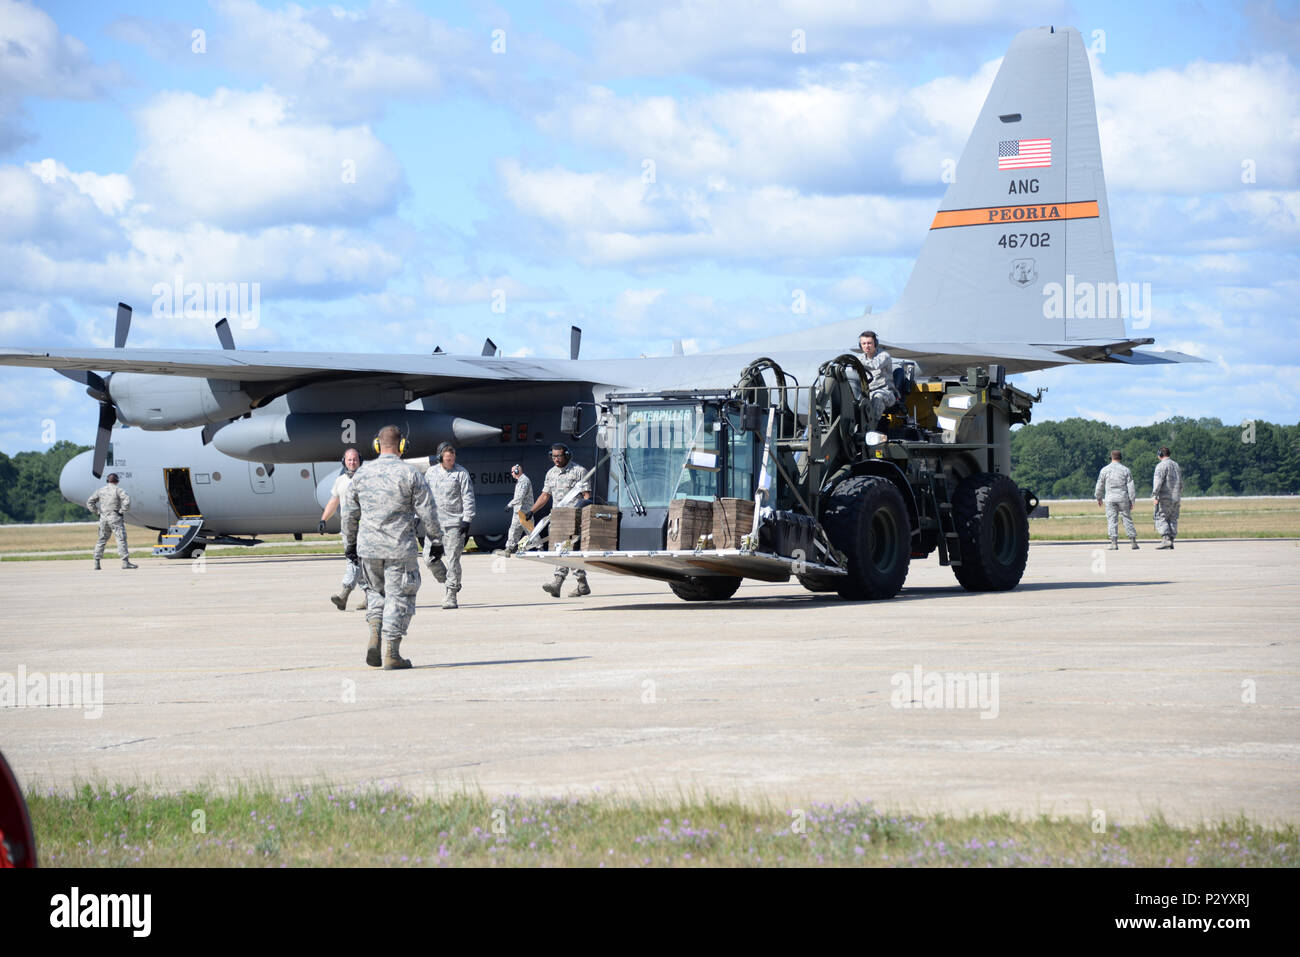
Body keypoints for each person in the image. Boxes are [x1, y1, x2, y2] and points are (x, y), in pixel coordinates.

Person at [342, 425, 439, 670]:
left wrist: (350, 545)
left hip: (368, 548)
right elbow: (428, 512)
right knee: (400, 597)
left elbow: (349, 514)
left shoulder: (361, 474)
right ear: (402, 445)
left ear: (377, 444)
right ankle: (392, 653)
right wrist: (436, 541)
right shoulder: (411, 474)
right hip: (398, 548)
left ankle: (375, 628)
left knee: (375, 593)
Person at [525, 443, 592, 597]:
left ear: (567, 455)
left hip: (573, 518)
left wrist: (584, 515)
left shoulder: (579, 472)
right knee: (561, 549)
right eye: (553, 456)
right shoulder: (551, 474)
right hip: (557, 518)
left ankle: (558, 581)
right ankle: (582, 583)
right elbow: (545, 495)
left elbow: (587, 496)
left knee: (566, 549)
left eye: (559, 456)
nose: (556, 459)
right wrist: (531, 511)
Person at [424, 442, 475, 609]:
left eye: (452, 459)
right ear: (440, 458)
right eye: (447, 459)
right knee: (429, 559)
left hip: (454, 524)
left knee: (453, 559)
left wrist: (467, 520)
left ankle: (451, 595)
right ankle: (449, 582)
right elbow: (423, 496)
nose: (450, 462)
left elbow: (468, 497)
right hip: (434, 524)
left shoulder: (461, 473)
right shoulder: (431, 473)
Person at [319, 448, 366, 610]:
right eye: (349, 460)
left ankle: (344, 594)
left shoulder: (365, 479)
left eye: (355, 460)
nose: (352, 462)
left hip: (364, 528)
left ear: (360, 461)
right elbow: (334, 501)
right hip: (347, 528)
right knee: (357, 562)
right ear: (344, 462)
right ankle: (370, 596)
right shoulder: (340, 480)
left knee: (354, 561)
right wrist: (323, 519)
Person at [86, 473, 137, 570]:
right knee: (120, 539)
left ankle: (96, 562)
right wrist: (122, 511)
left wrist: (97, 512)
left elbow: (89, 502)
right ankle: (125, 562)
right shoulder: (118, 490)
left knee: (102, 539)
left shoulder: (100, 490)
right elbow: (127, 500)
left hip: (103, 518)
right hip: (115, 517)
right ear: (117, 481)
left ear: (107, 481)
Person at [1095, 450, 1139, 550]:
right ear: (1120, 458)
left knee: (1112, 520)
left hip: (1110, 498)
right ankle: (1133, 542)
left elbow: (1099, 486)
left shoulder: (1104, 470)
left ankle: (1114, 543)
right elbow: (1131, 487)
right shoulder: (1126, 470)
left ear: (1111, 458)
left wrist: (1099, 497)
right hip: (1123, 497)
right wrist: (1132, 500)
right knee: (1127, 519)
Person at [858, 330, 900, 425]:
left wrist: (856, 362)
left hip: (886, 392)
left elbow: (875, 365)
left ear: (875, 343)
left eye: (869, 343)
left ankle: (872, 428)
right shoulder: (860, 359)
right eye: (863, 343)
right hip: (868, 393)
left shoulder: (884, 356)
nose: (866, 346)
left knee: (877, 397)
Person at [1152, 446, 1183, 550]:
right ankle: (1171, 540)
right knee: (1173, 518)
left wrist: (1155, 495)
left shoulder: (1161, 466)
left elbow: (1157, 482)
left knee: (1160, 517)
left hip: (1164, 497)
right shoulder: (1176, 465)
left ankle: (1166, 540)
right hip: (1176, 497)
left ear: (1160, 454)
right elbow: (1181, 483)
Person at [505, 464, 534, 554]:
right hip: (518, 511)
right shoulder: (519, 481)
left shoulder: (524, 481)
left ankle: (539, 547)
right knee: (513, 530)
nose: (512, 473)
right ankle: (509, 548)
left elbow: (519, 497)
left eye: (513, 472)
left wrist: (509, 505)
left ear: (517, 472)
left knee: (530, 531)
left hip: (524, 511)